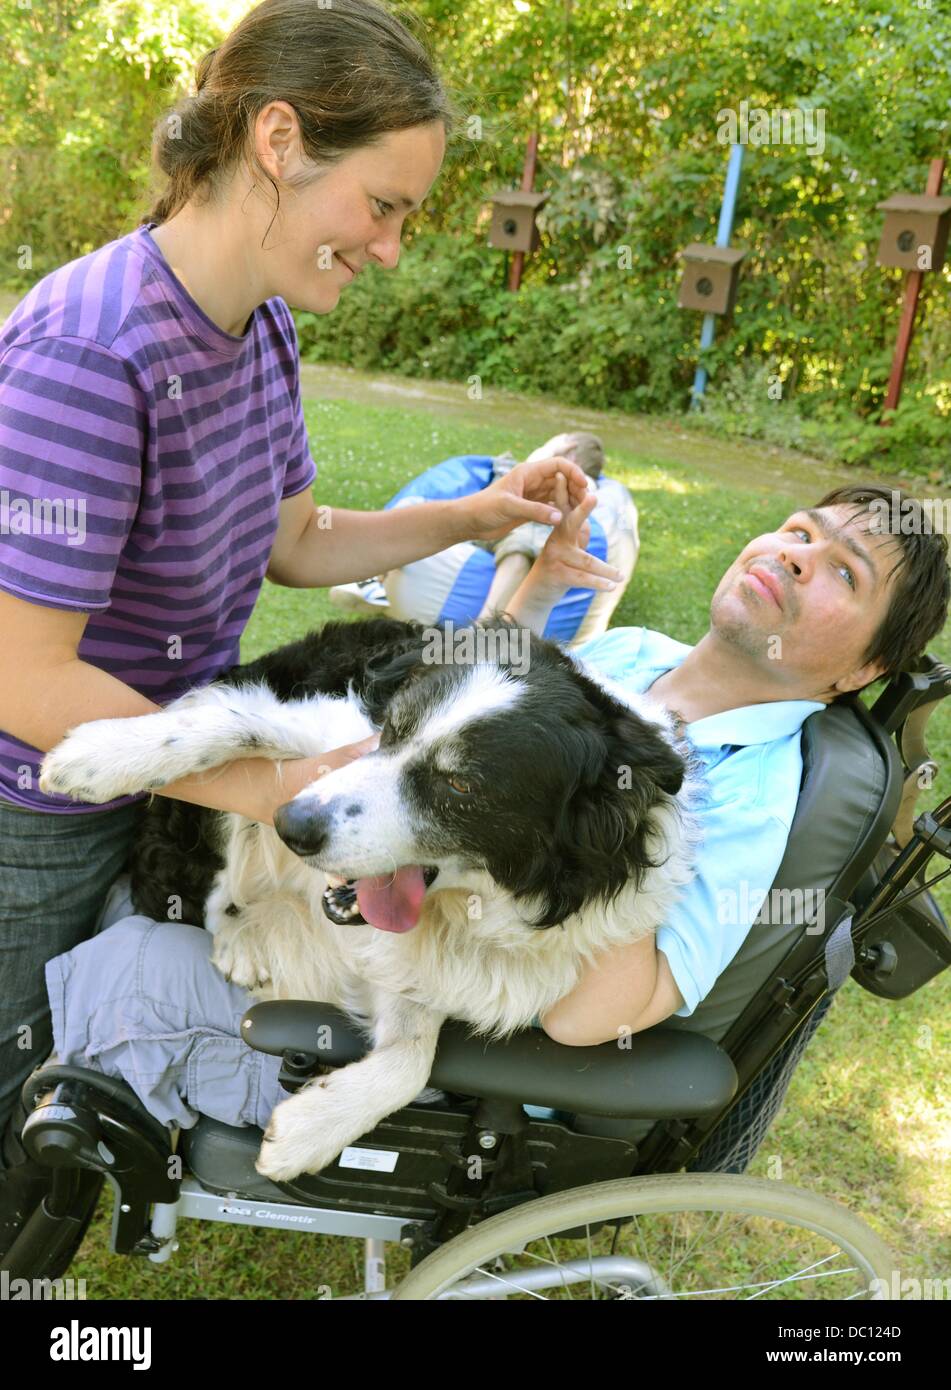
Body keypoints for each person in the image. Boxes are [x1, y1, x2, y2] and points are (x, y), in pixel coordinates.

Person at [0, 0, 616, 1264]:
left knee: (79, 1089)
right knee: (20, 1102)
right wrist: (279, 784)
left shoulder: (255, 322)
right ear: (278, 140)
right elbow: (24, 678)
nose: (390, 248)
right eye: (383, 206)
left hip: (151, 773)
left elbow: (298, 540)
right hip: (35, 812)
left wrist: (472, 514)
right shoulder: (90, 355)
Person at [21, 483, 949, 1165]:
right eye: (798, 530)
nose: (794, 555)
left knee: (119, 970)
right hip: (387, 916)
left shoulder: (751, 793)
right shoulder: (637, 654)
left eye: (841, 572)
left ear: (860, 672)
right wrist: (535, 589)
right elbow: (470, 719)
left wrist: (614, 845)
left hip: (477, 1052)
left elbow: (601, 1016)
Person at [329, 431, 641, 646]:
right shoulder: (507, 468)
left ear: (567, 450)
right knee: (419, 510)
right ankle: (373, 578)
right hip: (487, 528)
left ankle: (479, 630)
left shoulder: (578, 482)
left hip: (524, 533)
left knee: (529, 535)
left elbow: (568, 510)